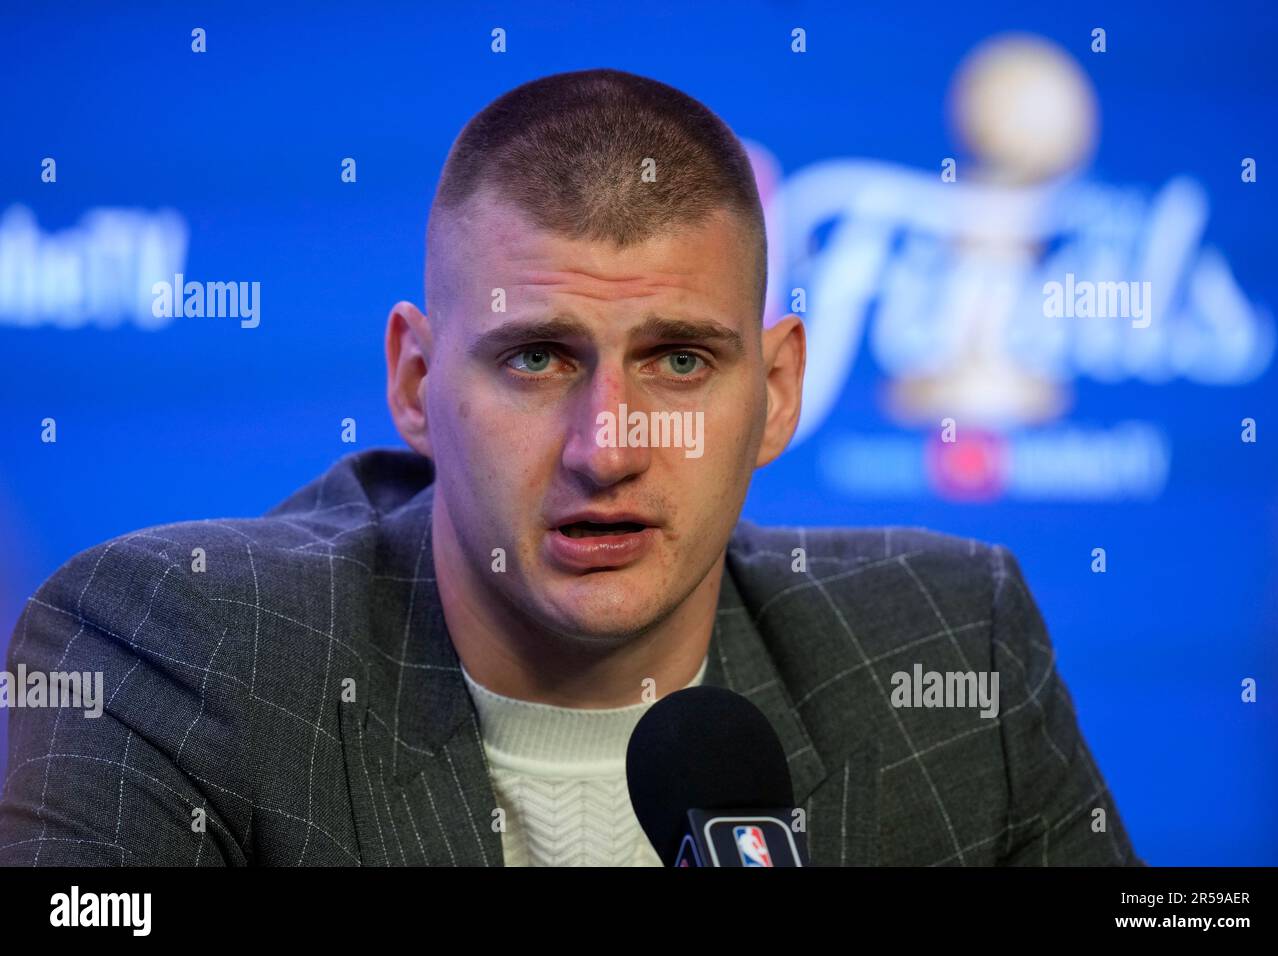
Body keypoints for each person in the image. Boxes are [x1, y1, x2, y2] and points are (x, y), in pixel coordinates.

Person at [0, 68, 1140, 866]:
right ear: (414, 382)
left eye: (680, 360)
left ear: (778, 391)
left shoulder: (948, 650)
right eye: (538, 358)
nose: (609, 446)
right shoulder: (172, 650)